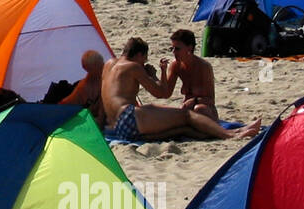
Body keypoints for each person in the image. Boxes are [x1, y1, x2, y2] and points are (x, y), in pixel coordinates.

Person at [102, 38, 260, 141]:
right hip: (129, 117)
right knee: (186, 115)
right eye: (144, 59)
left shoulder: (109, 64)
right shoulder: (134, 67)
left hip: (116, 126)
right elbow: (161, 93)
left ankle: (231, 133)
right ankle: (230, 134)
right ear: (138, 54)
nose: (144, 62)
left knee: (183, 129)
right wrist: (159, 73)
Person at [157, 29, 219, 120]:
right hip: (186, 110)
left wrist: (194, 101)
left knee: (199, 109)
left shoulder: (204, 67)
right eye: (172, 49)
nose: (173, 52)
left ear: (189, 48)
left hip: (206, 110)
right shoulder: (176, 65)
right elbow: (166, 93)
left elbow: (210, 100)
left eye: (177, 49)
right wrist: (163, 71)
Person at [58, 51, 106, 128]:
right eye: (100, 66)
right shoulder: (84, 87)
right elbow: (100, 121)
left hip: (94, 116)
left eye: (102, 64)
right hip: (85, 116)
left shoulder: (104, 79)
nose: (103, 67)